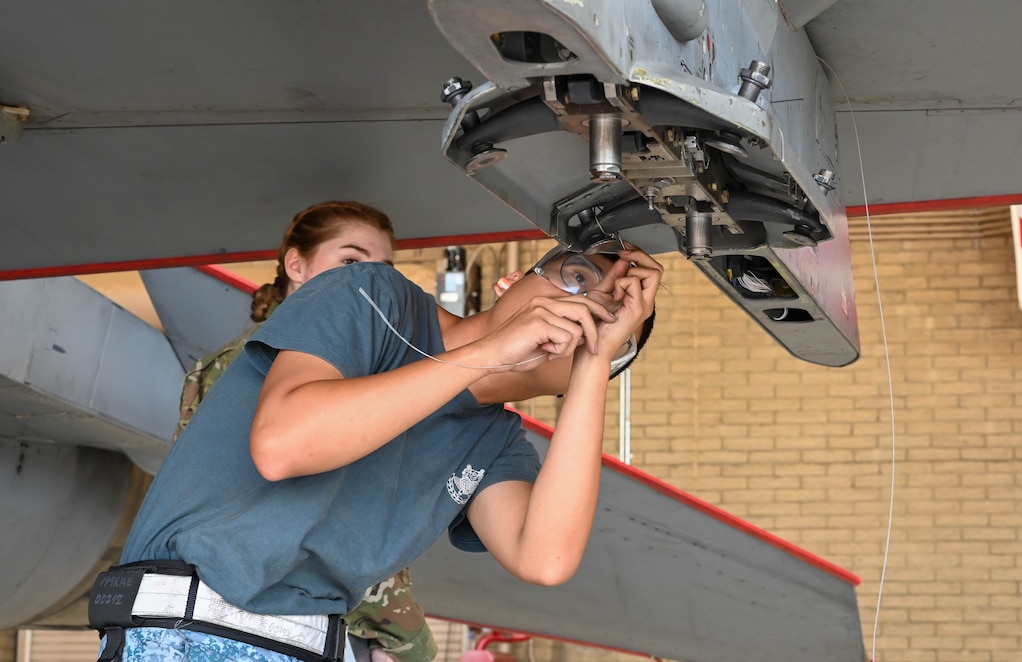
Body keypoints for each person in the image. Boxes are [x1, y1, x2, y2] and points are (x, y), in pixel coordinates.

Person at [90, 221, 661, 662]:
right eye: (577, 278)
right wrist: (489, 353)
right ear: (512, 282)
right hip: (188, 628)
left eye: (611, 328)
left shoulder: (496, 443)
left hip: (314, 641)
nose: (586, 308)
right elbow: (284, 444)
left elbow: (546, 559)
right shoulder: (373, 296)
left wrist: (590, 366)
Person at [174, 200, 439, 662]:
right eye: (351, 261)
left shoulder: (243, 363)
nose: (371, 282)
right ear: (296, 265)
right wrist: (399, 637)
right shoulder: (282, 372)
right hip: (286, 625)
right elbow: (319, 517)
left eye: (384, 270)